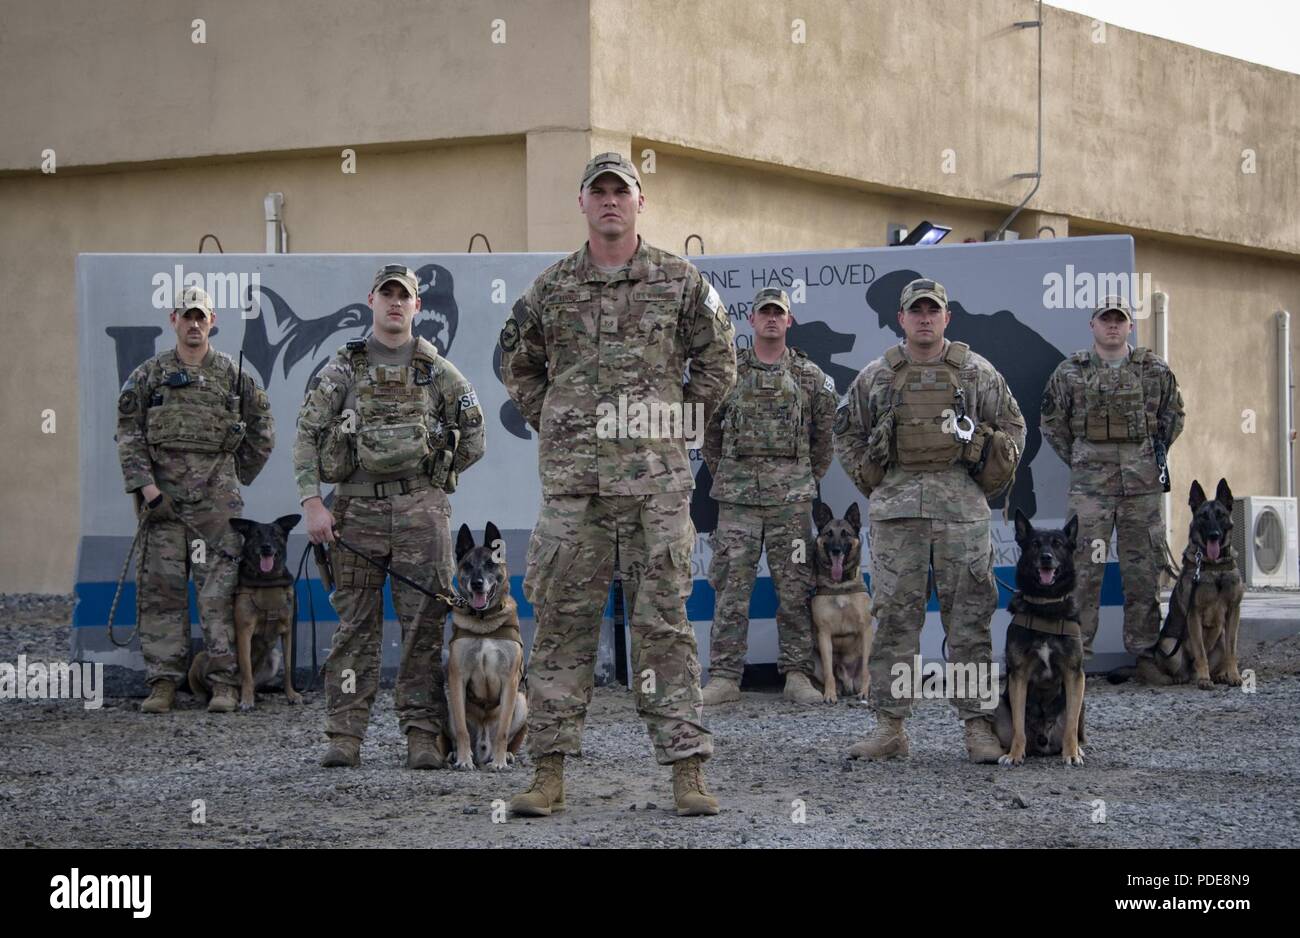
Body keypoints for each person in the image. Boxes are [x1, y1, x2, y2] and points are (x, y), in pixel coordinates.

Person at [500, 152, 736, 816]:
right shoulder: (550, 288)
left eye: (621, 191)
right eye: (598, 191)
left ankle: (687, 771)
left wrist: (676, 425)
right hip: (576, 489)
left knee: (664, 625)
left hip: (656, 487)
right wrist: (557, 419)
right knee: (561, 627)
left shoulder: (680, 282)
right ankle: (547, 773)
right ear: (581, 203)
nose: (610, 201)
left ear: (640, 202)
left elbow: (720, 360)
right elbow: (518, 363)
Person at [293, 264, 485, 768]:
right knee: (354, 629)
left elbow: (475, 432)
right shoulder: (344, 368)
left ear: (417, 306)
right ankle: (345, 736)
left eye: (405, 296)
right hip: (356, 513)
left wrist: (439, 478)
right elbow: (308, 433)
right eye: (388, 294)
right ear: (372, 301)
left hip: (422, 516)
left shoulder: (437, 370)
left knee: (423, 627)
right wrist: (313, 503)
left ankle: (423, 736)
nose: (396, 303)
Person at [834, 277, 1025, 763]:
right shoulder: (878, 376)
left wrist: (987, 477)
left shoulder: (976, 373)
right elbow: (846, 432)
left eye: (932, 311)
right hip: (898, 518)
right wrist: (872, 482)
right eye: (915, 311)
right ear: (901, 318)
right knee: (896, 620)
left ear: (946, 317)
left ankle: (978, 727)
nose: (924, 318)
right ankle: (890, 726)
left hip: (962, 516)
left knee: (969, 622)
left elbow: (1013, 429)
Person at [116, 286, 275, 714]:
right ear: (173, 320)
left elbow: (262, 431)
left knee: (217, 593)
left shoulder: (233, 376)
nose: (193, 324)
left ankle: (223, 681)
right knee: (161, 592)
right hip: (163, 506)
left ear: (212, 321)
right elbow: (129, 436)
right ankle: (164, 682)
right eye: (186, 317)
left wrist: (236, 475)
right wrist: (149, 492)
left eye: (200, 317)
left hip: (214, 508)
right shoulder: (148, 376)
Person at [700, 286, 838, 706]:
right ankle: (725, 676)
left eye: (779, 313)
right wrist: (730, 474)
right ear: (752, 321)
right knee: (730, 588)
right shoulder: (730, 373)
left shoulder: (810, 377)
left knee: (795, 588)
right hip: (738, 502)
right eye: (765, 313)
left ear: (789, 321)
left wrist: (800, 478)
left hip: (791, 503)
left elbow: (823, 436)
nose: (772, 319)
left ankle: (797, 673)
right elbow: (709, 433)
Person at [1040, 295, 1184, 680]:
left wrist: (1147, 456)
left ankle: (1145, 655)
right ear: (1093, 325)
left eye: (1120, 320)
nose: (1113, 326)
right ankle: (1076, 655)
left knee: (1142, 571)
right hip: (1091, 491)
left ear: (1130, 326)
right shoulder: (1070, 372)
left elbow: (1174, 415)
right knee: (1084, 570)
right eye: (1106, 320)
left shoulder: (1153, 370)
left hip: (1141, 489)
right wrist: (1082, 459)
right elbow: (1053, 422)